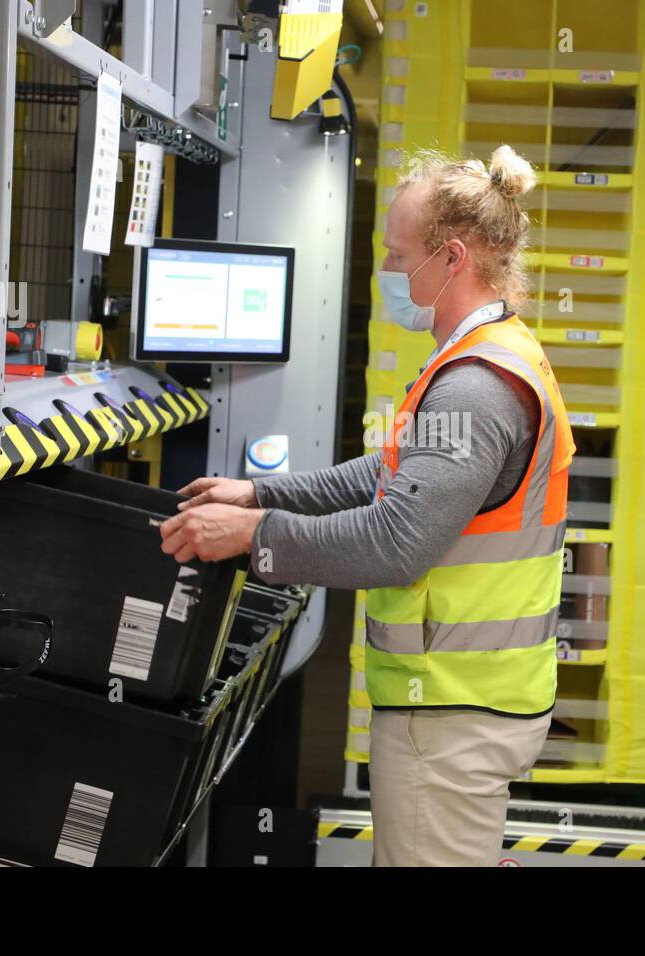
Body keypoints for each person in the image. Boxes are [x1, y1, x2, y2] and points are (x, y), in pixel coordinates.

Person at [159, 144, 574, 866]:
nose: (385, 269)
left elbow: (396, 541)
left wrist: (252, 533)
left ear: (451, 258)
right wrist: (261, 492)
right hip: (462, 700)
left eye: (396, 254)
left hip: (451, 710)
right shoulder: (491, 351)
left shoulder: (476, 386)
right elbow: (391, 476)